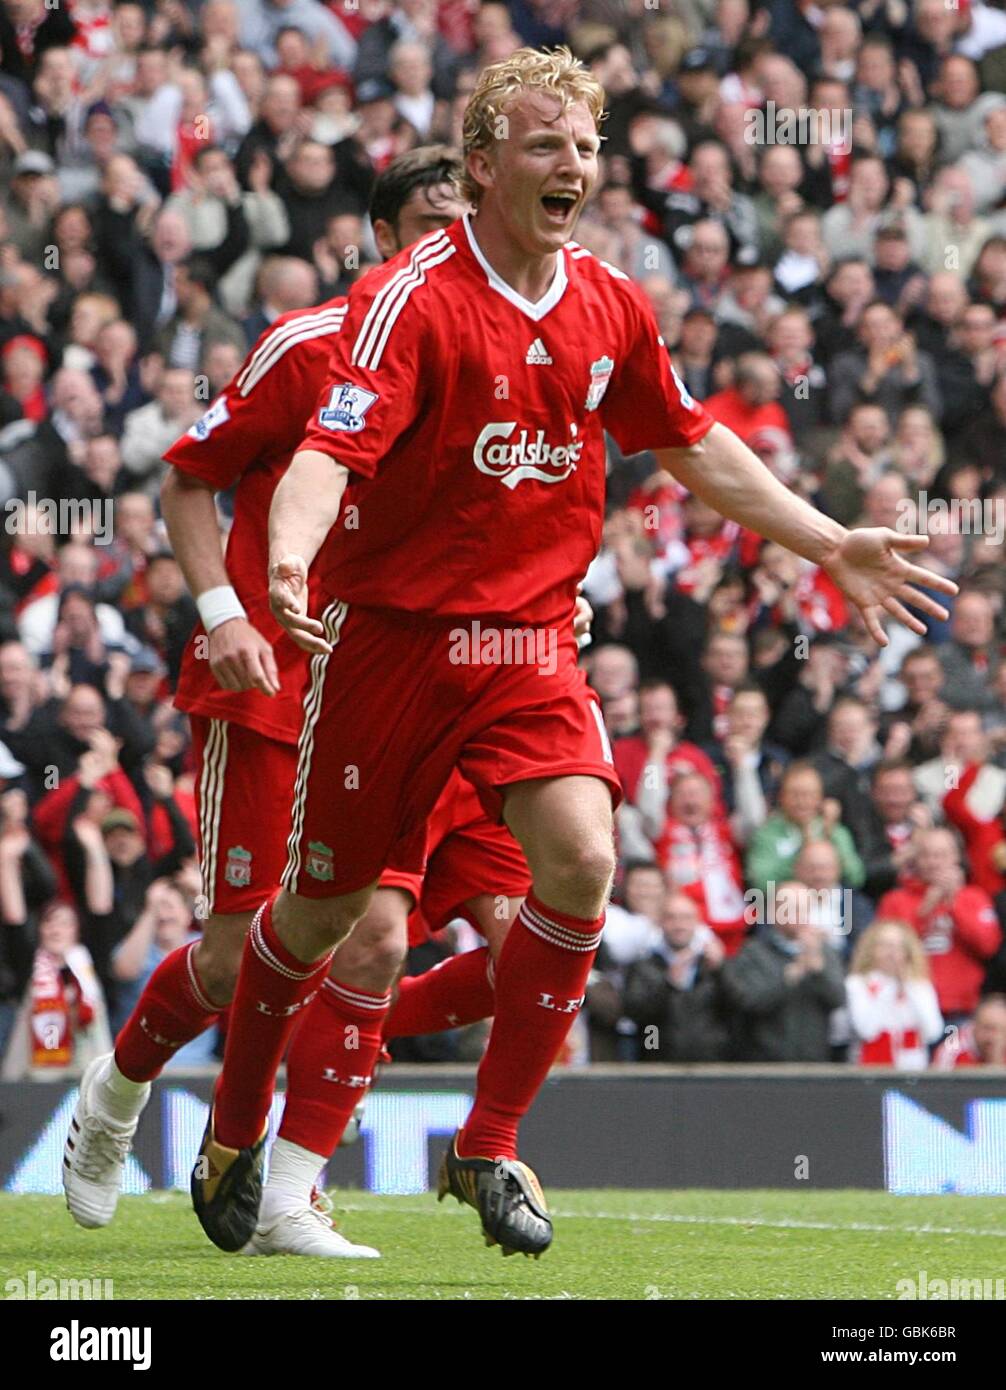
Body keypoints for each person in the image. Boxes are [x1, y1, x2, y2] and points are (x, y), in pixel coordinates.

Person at [189, 46, 952, 1263]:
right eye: (547, 145)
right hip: (390, 645)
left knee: (584, 865)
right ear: (485, 165)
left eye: (587, 148)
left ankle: (485, 1144)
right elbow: (325, 456)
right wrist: (286, 558)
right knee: (326, 911)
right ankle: (233, 1129)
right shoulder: (411, 299)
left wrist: (825, 541)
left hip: (532, 646)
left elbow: (690, 441)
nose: (575, 167)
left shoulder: (609, 302)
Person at [62, 145, 544, 1260]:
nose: (450, 237)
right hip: (275, 681)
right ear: (381, 239)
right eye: (428, 220)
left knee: (377, 936)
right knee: (240, 956)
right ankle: (118, 1086)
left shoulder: (501, 357)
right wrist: (222, 608)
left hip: (408, 687)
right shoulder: (310, 346)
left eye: (462, 216)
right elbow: (188, 478)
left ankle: (289, 1192)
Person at [875, 828, 1001, 1025]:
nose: (933, 862)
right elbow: (885, 954)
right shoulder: (894, 900)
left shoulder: (975, 897)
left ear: (956, 857)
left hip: (960, 1011)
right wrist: (926, 908)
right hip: (907, 1009)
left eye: (941, 855)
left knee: (951, 1055)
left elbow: (988, 946)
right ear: (915, 860)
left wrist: (954, 905)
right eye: (926, 855)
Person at [845, 919, 944, 1068]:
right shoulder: (858, 983)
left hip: (912, 1065)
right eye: (884, 945)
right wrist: (887, 988)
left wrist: (909, 986)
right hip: (872, 1065)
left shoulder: (919, 985)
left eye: (898, 947)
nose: (891, 953)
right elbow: (866, 1030)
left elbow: (933, 1031)